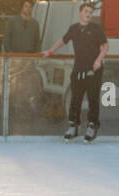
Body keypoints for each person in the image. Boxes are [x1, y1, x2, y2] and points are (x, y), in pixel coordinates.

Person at [43, 2, 108, 142]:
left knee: (93, 99)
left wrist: (98, 60)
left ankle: (92, 127)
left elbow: (105, 46)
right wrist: (50, 51)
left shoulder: (96, 28)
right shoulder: (73, 29)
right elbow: (63, 40)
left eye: (90, 12)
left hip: (93, 71)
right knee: (75, 99)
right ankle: (73, 126)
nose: (88, 14)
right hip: (78, 69)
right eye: (86, 11)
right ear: (80, 13)